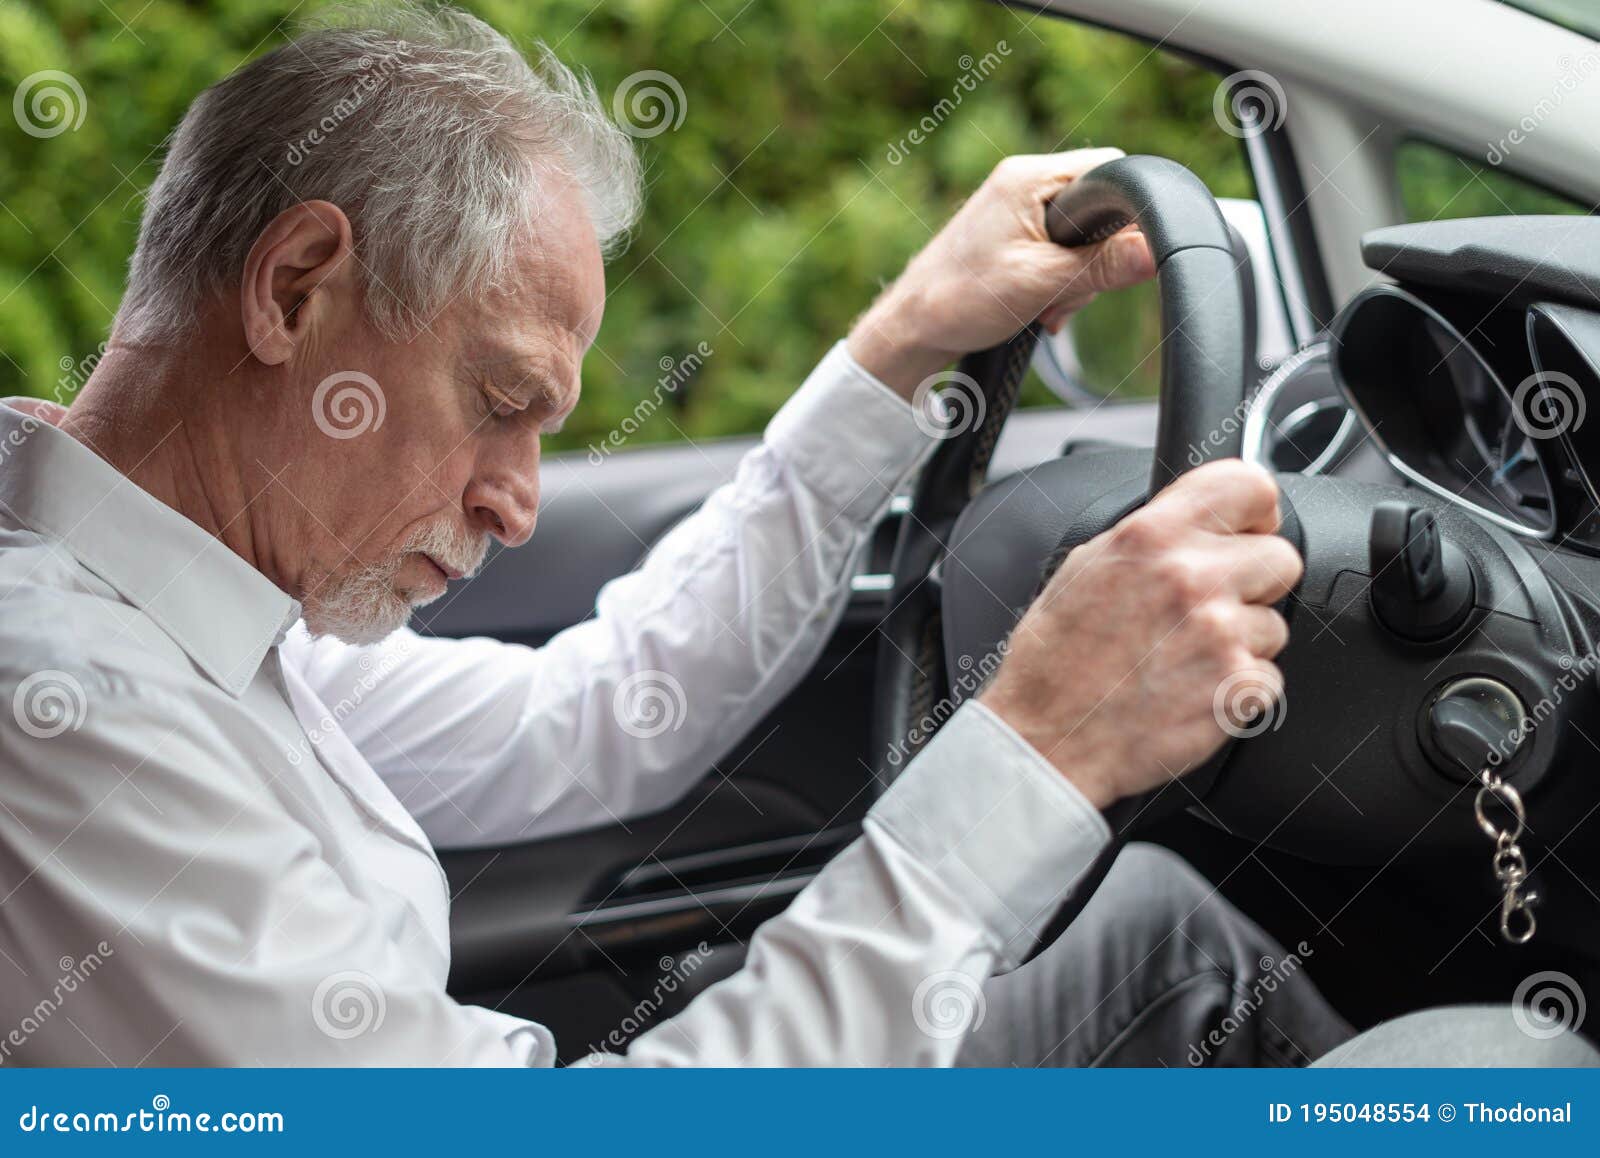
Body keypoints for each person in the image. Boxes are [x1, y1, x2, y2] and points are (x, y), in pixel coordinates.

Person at [0, 3, 1586, 1068]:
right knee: (1500, 1068)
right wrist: (1043, 742)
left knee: (1167, 935)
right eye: (499, 400)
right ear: (294, 289)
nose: (517, 498)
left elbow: (600, 718)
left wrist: (898, 352)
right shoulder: (66, 714)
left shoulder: (187, 597)